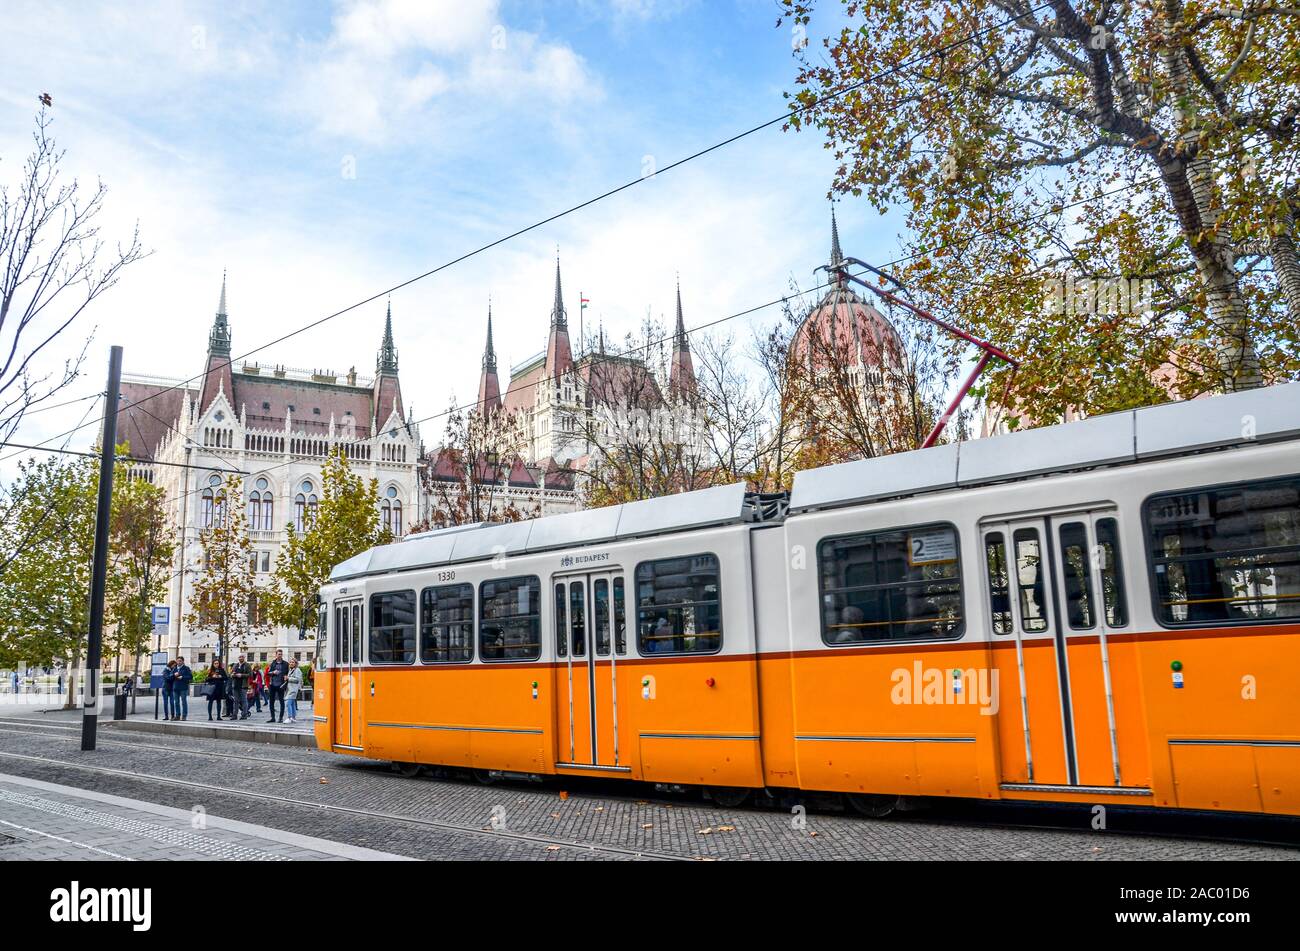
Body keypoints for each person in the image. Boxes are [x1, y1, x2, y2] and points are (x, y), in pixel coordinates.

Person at [265, 650, 289, 723]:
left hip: (281, 685)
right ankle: (273, 718)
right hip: (273, 685)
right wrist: (273, 672)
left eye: (281, 654)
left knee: (282, 701)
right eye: (278, 654)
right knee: (271, 701)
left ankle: (280, 718)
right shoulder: (273, 663)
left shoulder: (285, 664)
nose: (280, 655)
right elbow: (268, 673)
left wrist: (286, 677)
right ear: (276, 655)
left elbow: (288, 673)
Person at [230, 654, 252, 720]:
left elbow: (250, 674)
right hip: (235, 685)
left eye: (242, 657)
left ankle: (244, 715)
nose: (241, 658)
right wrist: (233, 674)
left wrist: (241, 675)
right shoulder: (235, 665)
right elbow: (231, 674)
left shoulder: (247, 665)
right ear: (238, 658)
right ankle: (234, 715)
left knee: (244, 701)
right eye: (239, 657)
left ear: (244, 658)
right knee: (235, 701)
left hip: (243, 685)